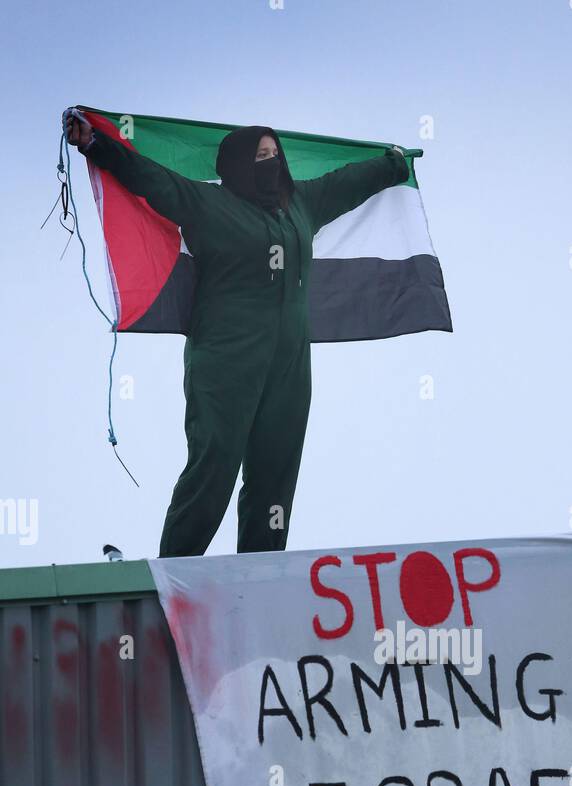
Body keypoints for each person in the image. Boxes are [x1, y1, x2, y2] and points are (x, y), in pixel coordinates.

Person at [64, 109, 410, 556]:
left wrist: (394, 164)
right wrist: (96, 144)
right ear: (236, 166)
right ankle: (177, 571)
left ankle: (261, 573)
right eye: (259, 155)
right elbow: (151, 179)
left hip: (289, 365)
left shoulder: (302, 203)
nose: (270, 162)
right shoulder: (208, 205)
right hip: (226, 358)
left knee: (276, 474)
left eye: (275, 154)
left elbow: (349, 181)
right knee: (216, 466)